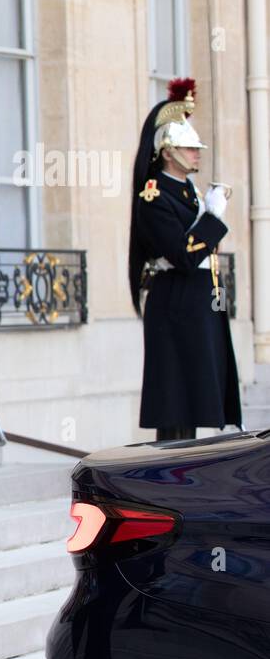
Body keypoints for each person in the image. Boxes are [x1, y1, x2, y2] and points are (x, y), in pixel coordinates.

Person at [127, 78, 240, 440]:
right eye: (189, 149)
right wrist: (213, 218)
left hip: (196, 298)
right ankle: (169, 481)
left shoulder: (187, 191)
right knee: (176, 397)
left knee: (194, 392)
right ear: (167, 151)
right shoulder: (154, 196)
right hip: (175, 298)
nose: (197, 154)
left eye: (196, 148)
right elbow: (183, 254)